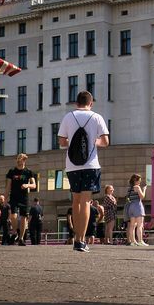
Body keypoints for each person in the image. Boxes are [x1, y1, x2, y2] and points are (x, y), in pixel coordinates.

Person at [57, 90, 110, 253]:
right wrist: (93, 141)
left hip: (72, 165)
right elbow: (106, 141)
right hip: (91, 164)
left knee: (76, 201)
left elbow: (62, 141)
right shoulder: (96, 117)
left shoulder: (68, 116)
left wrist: (74, 141)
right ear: (91, 103)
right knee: (86, 202)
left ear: (76, 103)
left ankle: (75, 239)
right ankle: (81, 240)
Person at [6, 153, 36, 245]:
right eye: (18, 159)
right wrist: (5, 196)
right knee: (13, 216)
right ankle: (15, 232)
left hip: (24, 197)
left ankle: (21, 238)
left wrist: (27, 185)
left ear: (24, 161)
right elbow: (8, 186)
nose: (19, 161)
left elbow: (34, 185)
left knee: (24, 217)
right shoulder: (12, 171)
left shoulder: (28, 172)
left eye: (22, 159)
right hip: (14, 196)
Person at [125, 174, 148, 246]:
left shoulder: (129, 188)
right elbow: (142, 196)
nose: (140, 183)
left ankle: (133, 241)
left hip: (131, 206)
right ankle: (140, 241)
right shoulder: (137, 187)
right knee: (139, 225)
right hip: (137, 206)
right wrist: (144, 189)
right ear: (135, 180)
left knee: (132, 225)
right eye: (139, 181)